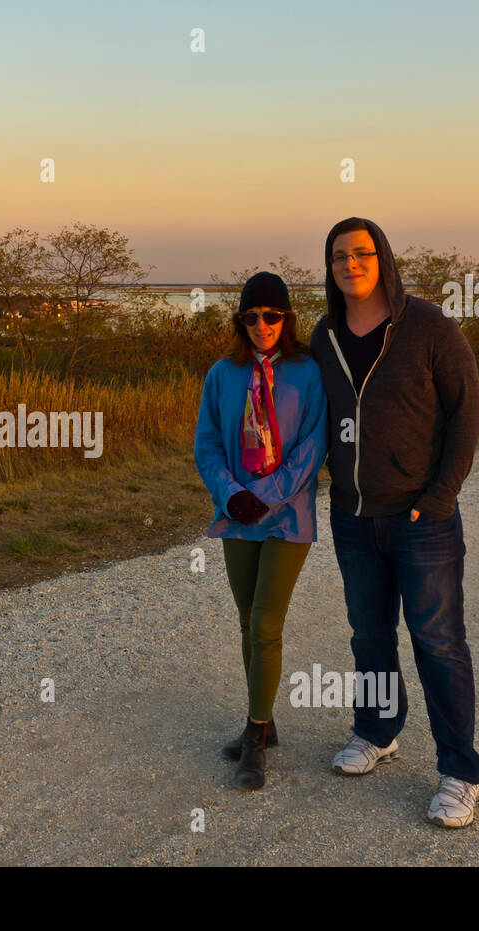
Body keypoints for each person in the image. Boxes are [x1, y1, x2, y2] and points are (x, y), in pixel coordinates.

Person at [309, 217, 479, 827]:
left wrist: (440, 497)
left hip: (422, 519)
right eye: (338, 256)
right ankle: (377, 731)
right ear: (330, 267)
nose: (350, 263)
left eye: (361, 253)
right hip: (354, 516)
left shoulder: (429, 326)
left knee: (438, 643)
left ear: (382, 258)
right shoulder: (325, 334)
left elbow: (467, 414)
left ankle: (460, 771)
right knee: (369, 637)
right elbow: (314, 416)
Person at [194, 272, 328, 791]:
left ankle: (253, 738)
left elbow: (314, 445)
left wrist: (268, 494)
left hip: (287, 515)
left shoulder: (307, 373)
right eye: (251, 317)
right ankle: (266, 721)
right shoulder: (222, 374)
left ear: (287, 320)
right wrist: (232, 494)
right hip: (237, 514)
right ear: (240, 321)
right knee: (247, 616)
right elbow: (206, 443)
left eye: (272, 316)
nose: (261, 325)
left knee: (266, 624)